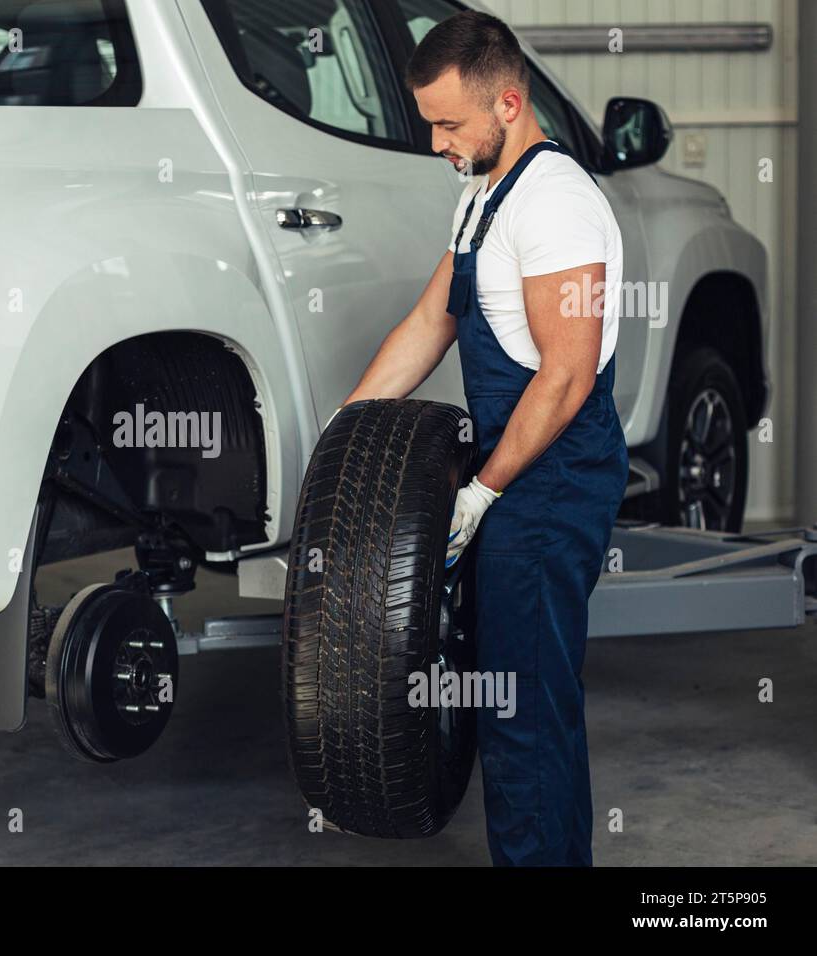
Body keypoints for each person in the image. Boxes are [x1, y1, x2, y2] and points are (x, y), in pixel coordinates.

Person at [339, 10, 628, 866]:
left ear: (508, 102)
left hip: (551, 479)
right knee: (506, 699)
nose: (435, 141)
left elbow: (567, 377)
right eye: (429, 121)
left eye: (448, 123)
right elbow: (430, 321)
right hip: (508, 473)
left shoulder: (560, 206)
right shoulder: (482, 197)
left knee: (526, 711)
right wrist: (345, 441)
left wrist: (484, 492)